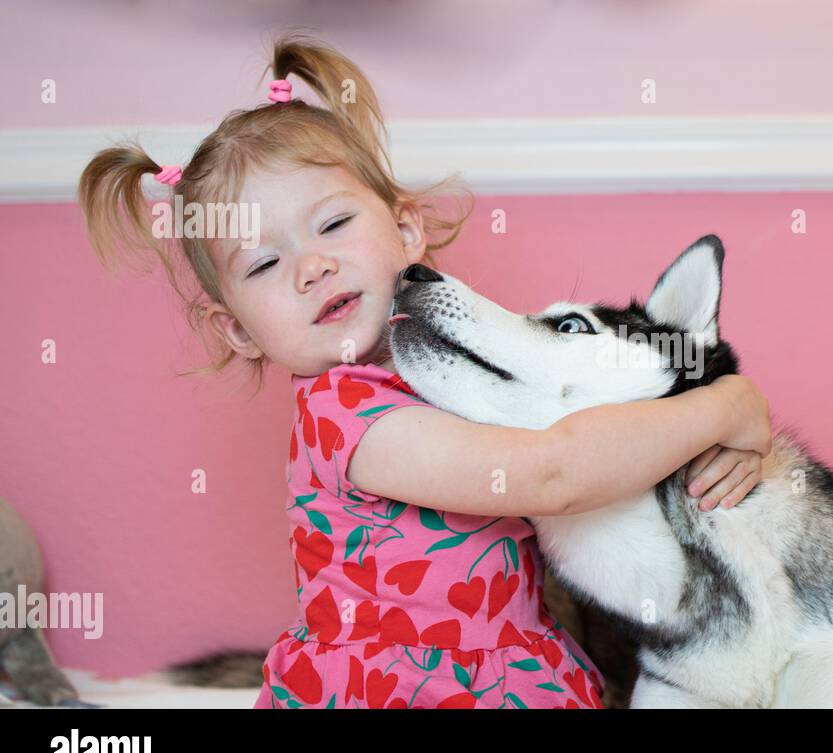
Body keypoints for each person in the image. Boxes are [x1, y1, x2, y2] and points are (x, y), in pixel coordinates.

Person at [77, 33, 771, 709]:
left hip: (510, 669)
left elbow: (601, 433)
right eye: (263, 264)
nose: (311, 266)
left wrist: (716, 411)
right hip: (401, 689)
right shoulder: (343, 412)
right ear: (237, 329)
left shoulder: (453, 373)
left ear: (407, 229)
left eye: (332, 224)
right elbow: (553, 473)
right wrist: (721, 407)